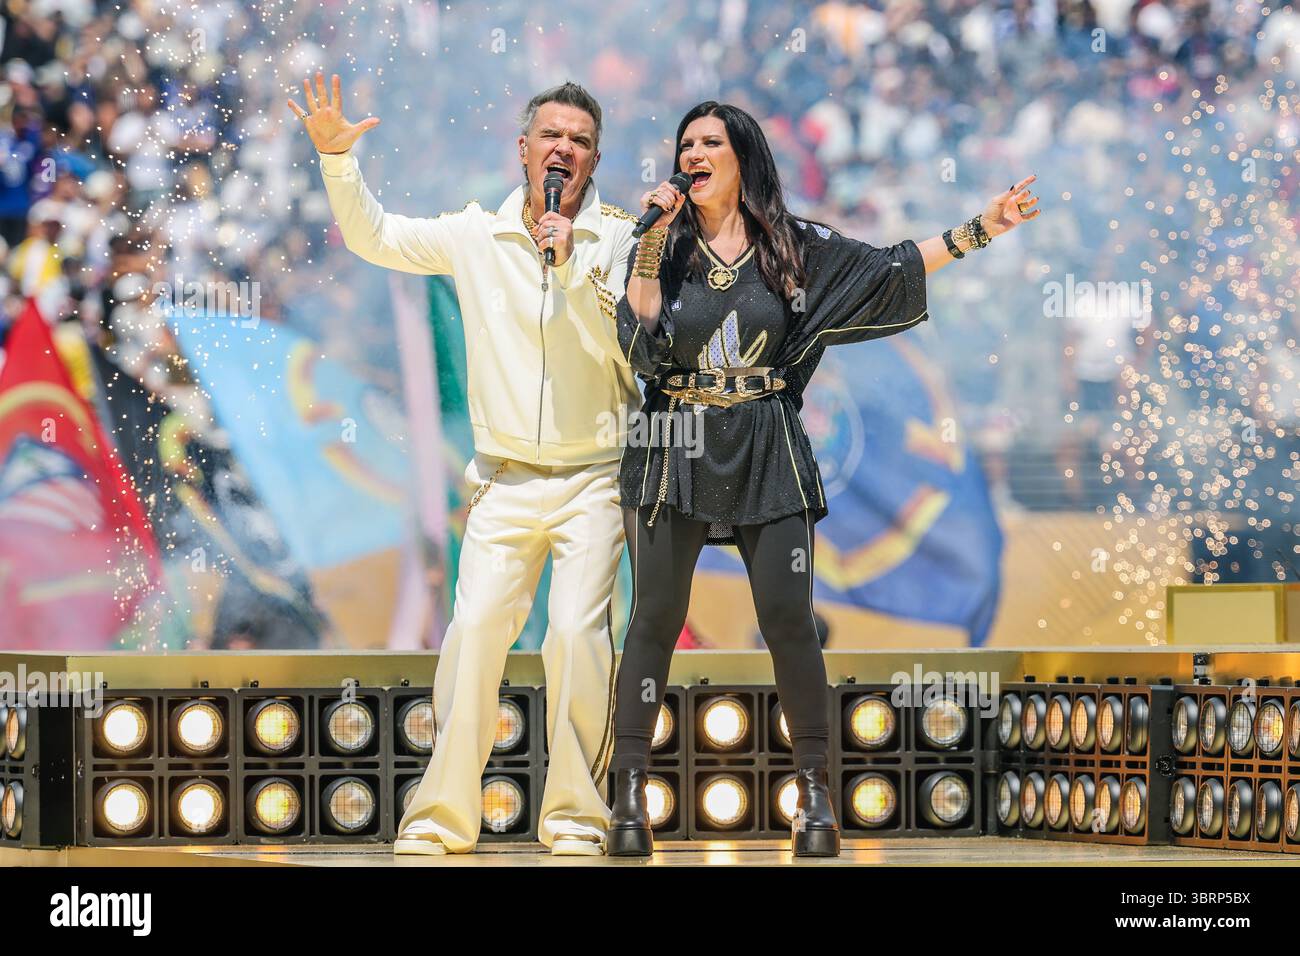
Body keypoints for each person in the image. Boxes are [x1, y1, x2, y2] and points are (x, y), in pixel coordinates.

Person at [607, 101, 1040, 857]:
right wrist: (648, 241)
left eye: (711, 142)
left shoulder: (794, 245)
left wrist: (981, 228)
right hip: (673, 439)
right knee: (653, 618)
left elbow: (889, 267)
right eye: (686, 144)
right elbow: (641, 332)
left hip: (767, 441)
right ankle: (628, 797)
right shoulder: (660, 242)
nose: (694, 154)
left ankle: (814, 796)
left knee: (789, 620)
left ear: (742, 157)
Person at [289, 74, 641, 856]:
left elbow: (631, 343)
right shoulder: (474, 235)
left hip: (595, 478)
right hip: (504, 477)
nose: (564, 149)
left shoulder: (621, 239)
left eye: (580, 141)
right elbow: (375, 237)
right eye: (551, 135)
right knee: (475, 632)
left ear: (594, 158)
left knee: (576, 636)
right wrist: (339, 162)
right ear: (523, 149)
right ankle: (442, 816)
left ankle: (576, 817)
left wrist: (569, 263)